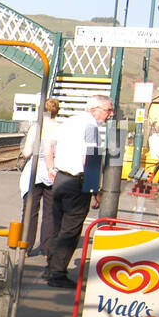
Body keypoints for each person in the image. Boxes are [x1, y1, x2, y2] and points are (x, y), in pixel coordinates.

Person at [44, 96, 115, 288]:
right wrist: (94, 191)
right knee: (71, 229)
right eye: (108, 110)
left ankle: (50, 267)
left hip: (60, 178)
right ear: (95, 109)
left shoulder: (69, 121)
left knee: (57, 226)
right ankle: (57, 274)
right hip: (77, 181)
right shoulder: (91, 126)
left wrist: (51, 169)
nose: (110, 115)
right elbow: (89, 159)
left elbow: (48, 145)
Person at [19, 97, 62, 257]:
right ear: (56, 111)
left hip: (34, 173)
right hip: (53, 173)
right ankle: (47, 248)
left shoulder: (36, 128)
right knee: (50, 212)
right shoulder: (60, 128)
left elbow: (27, 152)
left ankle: (26, 246)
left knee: (30, 210)